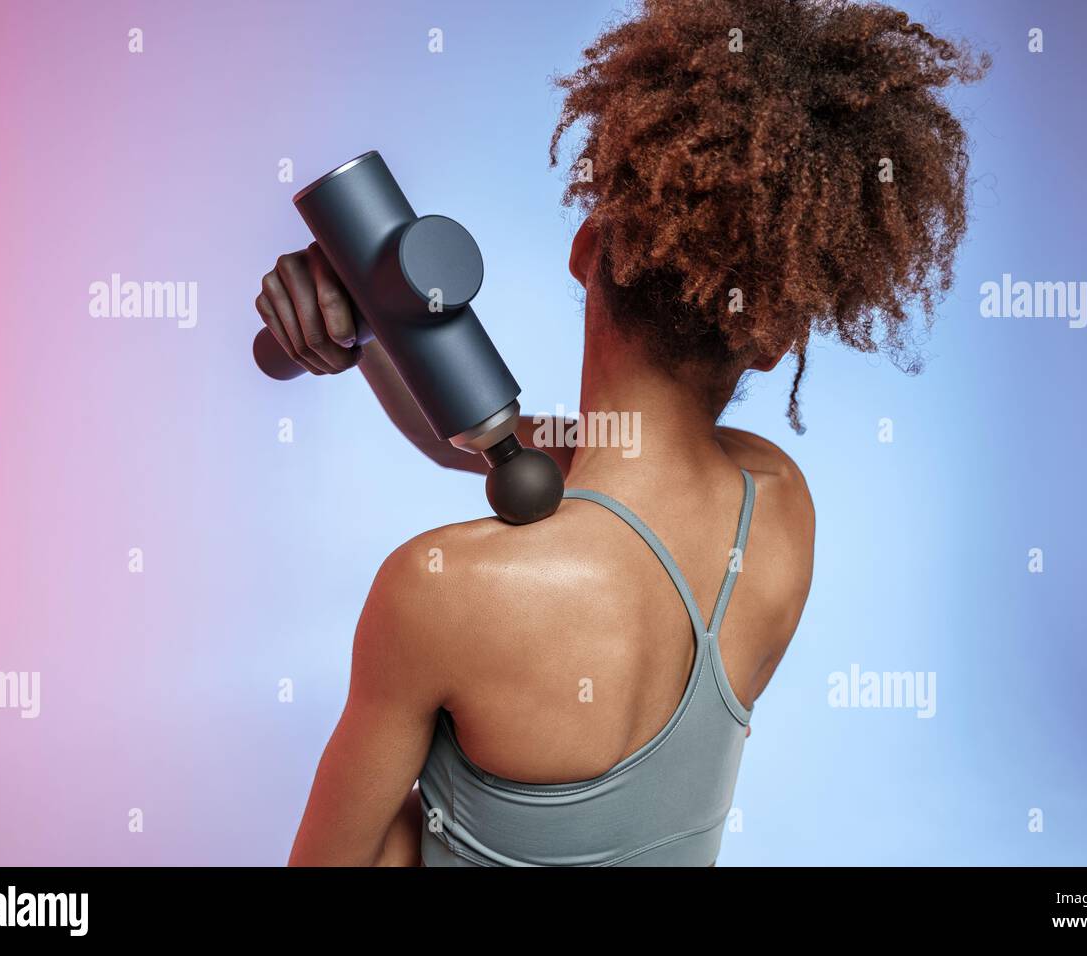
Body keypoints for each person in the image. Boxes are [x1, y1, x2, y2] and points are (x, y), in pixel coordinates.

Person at [255, 0, 985, 866]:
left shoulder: (438, 592)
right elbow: (501, 438)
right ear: (775, 333)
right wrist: (376, 325)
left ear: (585, 245)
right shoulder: (780, 505)